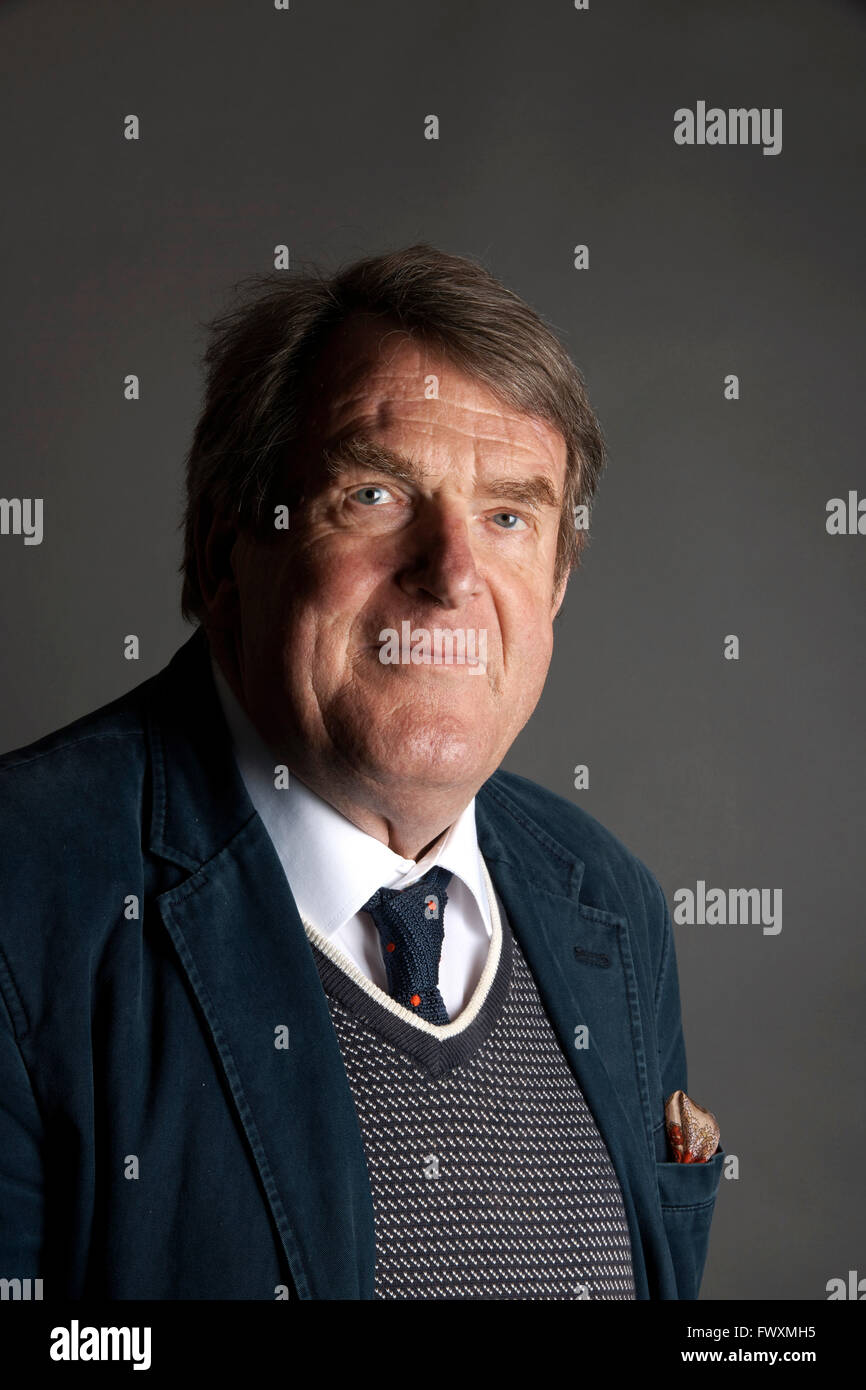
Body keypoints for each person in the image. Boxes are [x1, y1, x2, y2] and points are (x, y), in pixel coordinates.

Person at [0, 244, 723, 1300]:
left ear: (557, 584)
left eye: (508, 517)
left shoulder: (608, 903)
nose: (451, 577)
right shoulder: (26, 901)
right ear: (223, 547)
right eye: (376, 494)